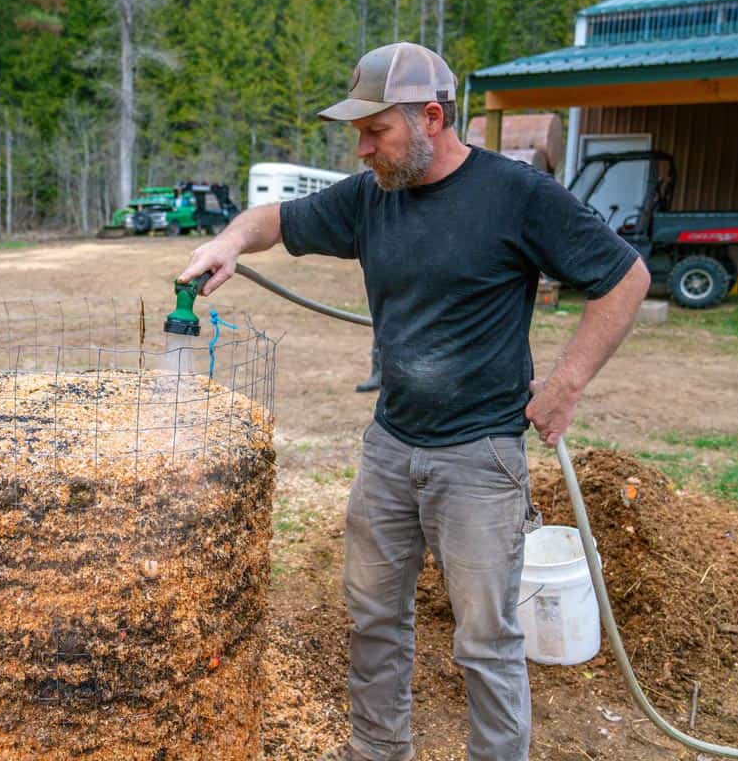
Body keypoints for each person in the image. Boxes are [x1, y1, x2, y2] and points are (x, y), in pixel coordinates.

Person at [177, 42, 649, 761]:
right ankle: (376, 749)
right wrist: (230, 241)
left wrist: (566, 384)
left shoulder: (516, 195)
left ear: (431, 117)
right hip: (390, 448)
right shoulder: (372, 196)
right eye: (360, 134)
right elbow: (278, 219)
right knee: (373, 618)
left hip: (480, 459)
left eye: (376, 131)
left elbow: (625, 278)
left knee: (486, 640)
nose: (362, 149)